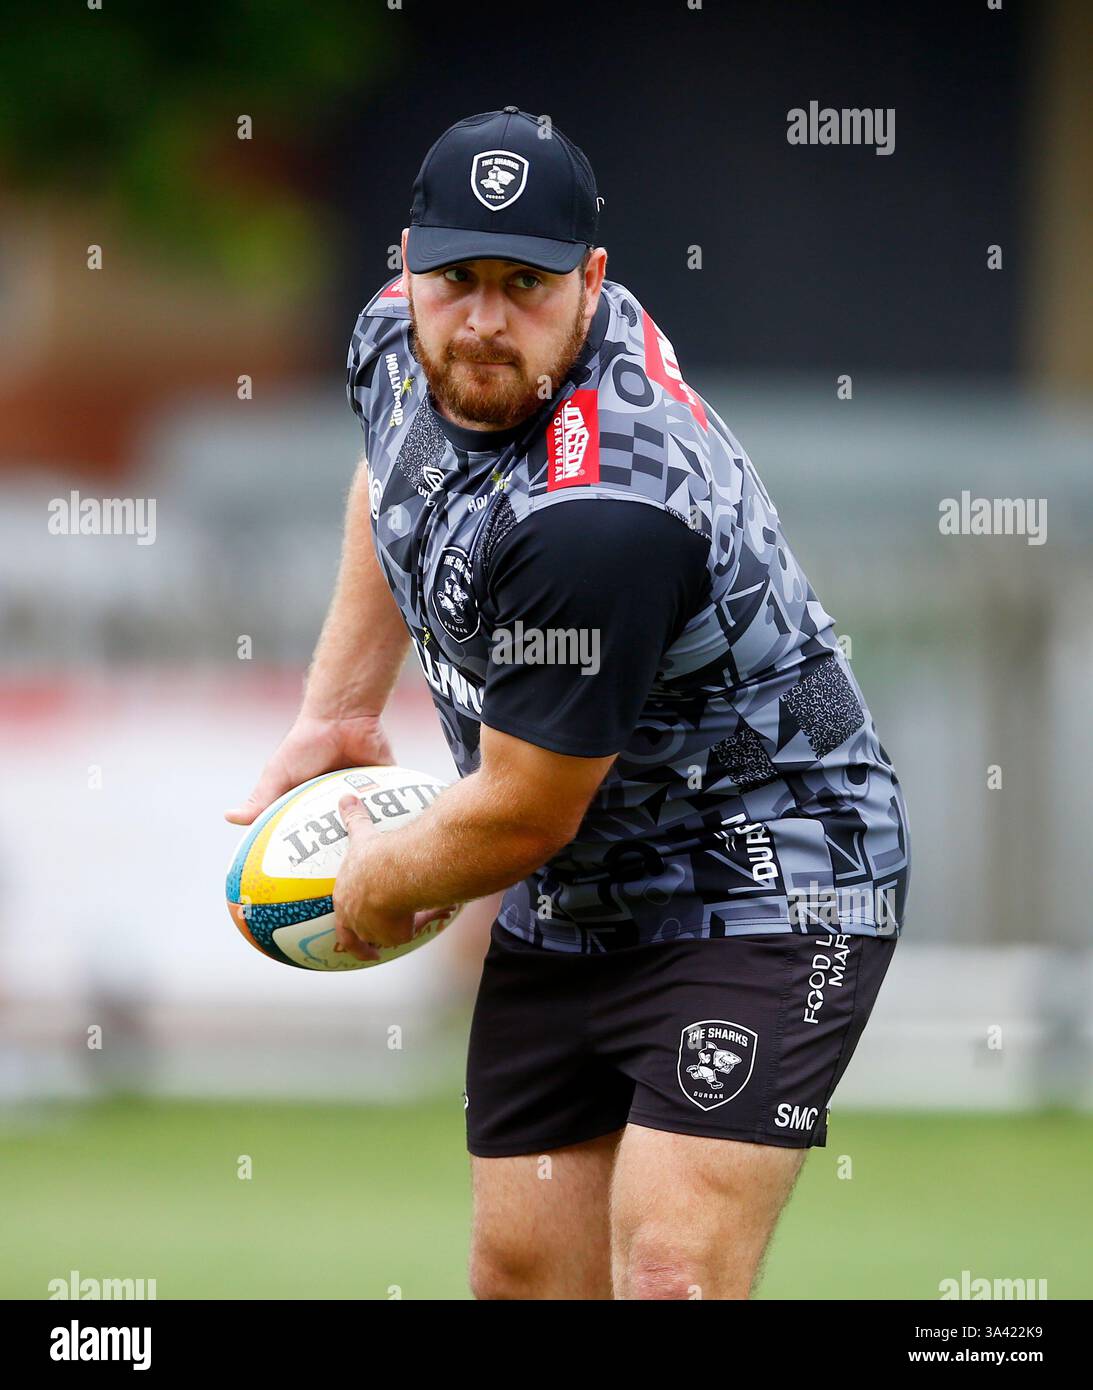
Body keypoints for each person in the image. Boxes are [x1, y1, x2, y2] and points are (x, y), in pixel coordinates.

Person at [226, 106, 911, 1300]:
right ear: (404, 264)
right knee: (526, 1277)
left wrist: (369, 881)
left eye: (525, 286)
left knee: (665, 1275)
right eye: (456, 279)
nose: (483, 321)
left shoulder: (599, 511)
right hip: (579, 880)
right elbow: (392, 470)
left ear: (591, 281)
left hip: (767, 867)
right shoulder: (399, 342)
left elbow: (522, 813)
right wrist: (337, 708)